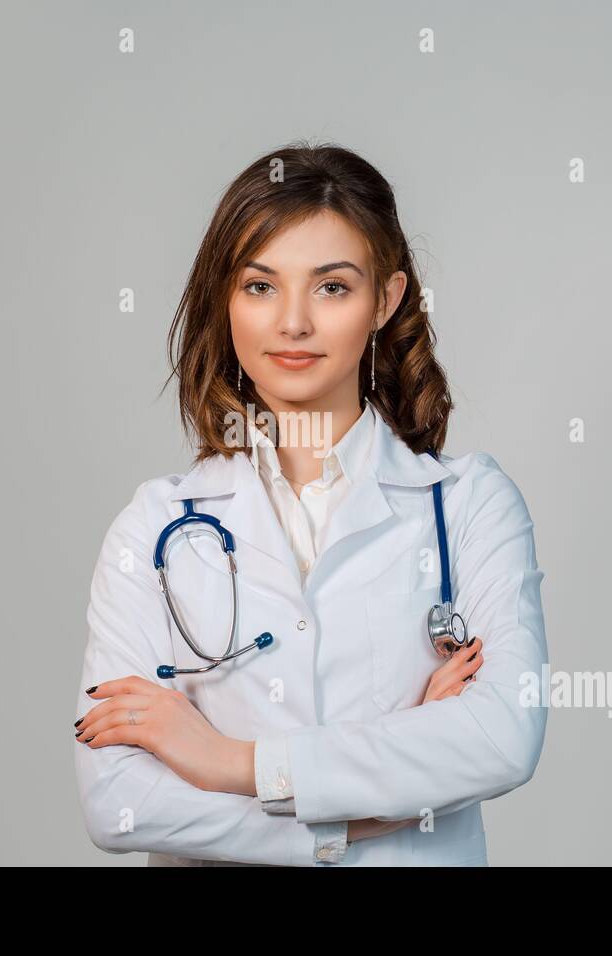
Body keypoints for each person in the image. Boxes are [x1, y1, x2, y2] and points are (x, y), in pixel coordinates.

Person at [74, 141, 548, 866]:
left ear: (384, 302)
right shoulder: (157, 527)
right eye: (260, 287)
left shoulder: (471, 505)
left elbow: (503, 738)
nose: (292, 323)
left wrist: (229, 762)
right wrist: (378, 799)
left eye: (331, 287)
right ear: (224, 301)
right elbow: (120, 806)